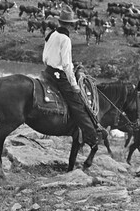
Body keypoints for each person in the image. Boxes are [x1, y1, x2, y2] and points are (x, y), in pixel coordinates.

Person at [42, 10, 101, 147]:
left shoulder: (51, 35)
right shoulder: (65, 39)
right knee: (78, 103)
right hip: (59, 75)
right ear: (70, 25)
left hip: (47, 71)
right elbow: (66, 64)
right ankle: (91, 136)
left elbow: (45, 57)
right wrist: (74, 84)